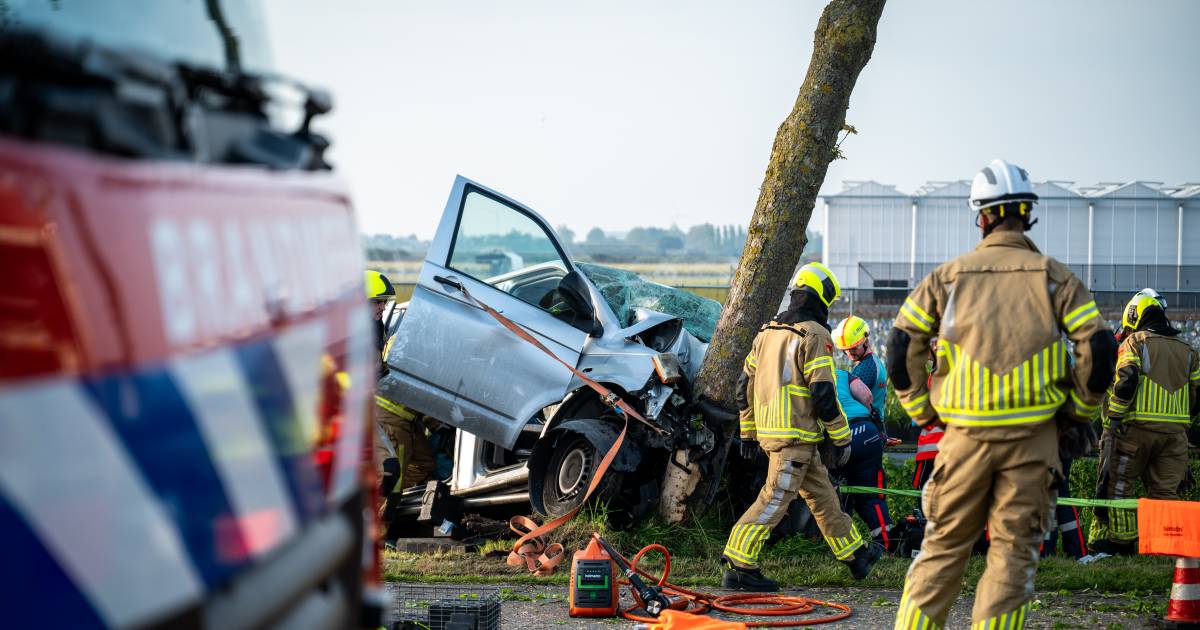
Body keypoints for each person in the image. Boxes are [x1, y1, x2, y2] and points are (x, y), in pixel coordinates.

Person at [888, 159, 1116, 629]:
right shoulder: (1055, 278)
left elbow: (900, 347)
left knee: (940, 554)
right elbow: (1098, 348)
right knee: (1011, 564)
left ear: (982, 216)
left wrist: (925, 413)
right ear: (1027, 215)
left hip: (962, 439)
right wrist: (1076, 413)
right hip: (1033, 443)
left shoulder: (949, 277)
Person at [723, 262, 882, 591]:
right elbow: (823, 393)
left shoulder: (766, 333)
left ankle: (856, 556)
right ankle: (738, 563)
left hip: (783, 436)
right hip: (794, 436)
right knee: (775, 497)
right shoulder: (815, 334)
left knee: (823, 497)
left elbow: (743, 386)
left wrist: (749, 434)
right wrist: (841, 438)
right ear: (821, 297)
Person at [1089, 290, 1199, 554]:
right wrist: (1183, 418)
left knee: (1120, 486)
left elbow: (1126, 380)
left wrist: (1114, 418)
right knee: (1165, 492)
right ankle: (1164, 546)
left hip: (1135, 432)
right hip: (1174, 436)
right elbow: (1198, 393)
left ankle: (1123, 542)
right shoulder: (1187, 349)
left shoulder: (1134, 343)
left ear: (1134, 315)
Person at [365, 270, 435, 507]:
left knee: (424, 464)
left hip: (396, 411)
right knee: (390, 475)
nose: (383, 307)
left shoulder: (375, 327)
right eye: (377, 302)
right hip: (380, 413)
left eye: (384, 302)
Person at [830, 366, 896, 551]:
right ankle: (887, 543)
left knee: (838, 494)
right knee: (870, 494)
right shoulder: (842, 374)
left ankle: (844, 544)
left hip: (842, 434)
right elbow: (867, 396)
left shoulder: (806, 375)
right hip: (868, 430)